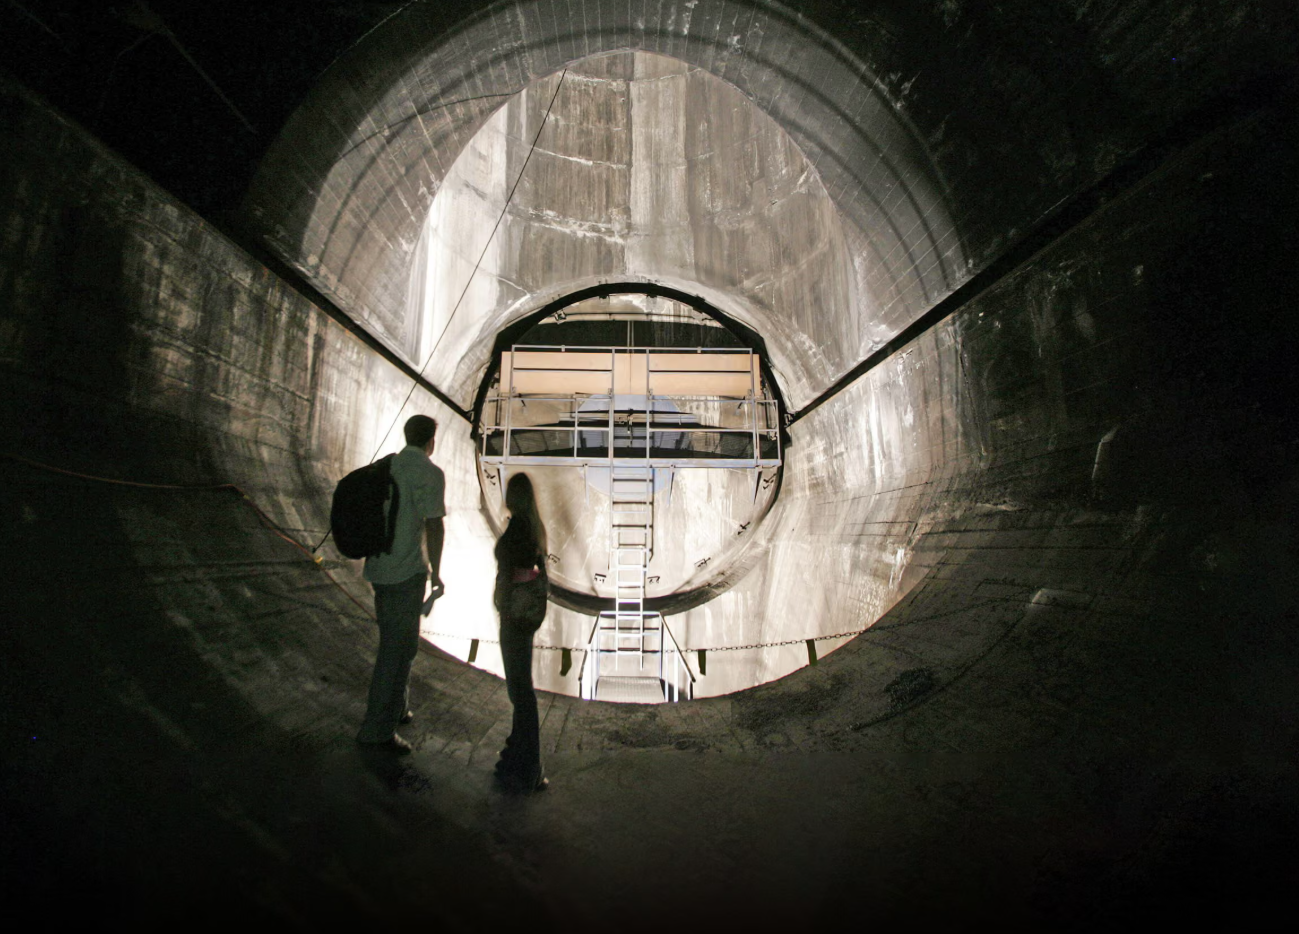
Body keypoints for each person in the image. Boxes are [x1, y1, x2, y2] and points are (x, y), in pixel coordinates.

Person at [356, 414, 445, 754]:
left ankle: (398, 708)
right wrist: (436, 571)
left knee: (402, 644)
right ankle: (376, 730)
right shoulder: (430, 473)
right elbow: (434, 525)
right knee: (394, 651)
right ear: (431, 441)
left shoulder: (387, 465)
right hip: (406, 574)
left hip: (378, 568)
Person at [493, 473, 549, 792]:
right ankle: (516, 753)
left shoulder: (519, 529)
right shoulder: (532, 526)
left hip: (513, 617)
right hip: (522, 615)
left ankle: (529, 764)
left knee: (520, 691)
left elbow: (519, 568)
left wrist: (505, 591)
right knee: (520, 688)